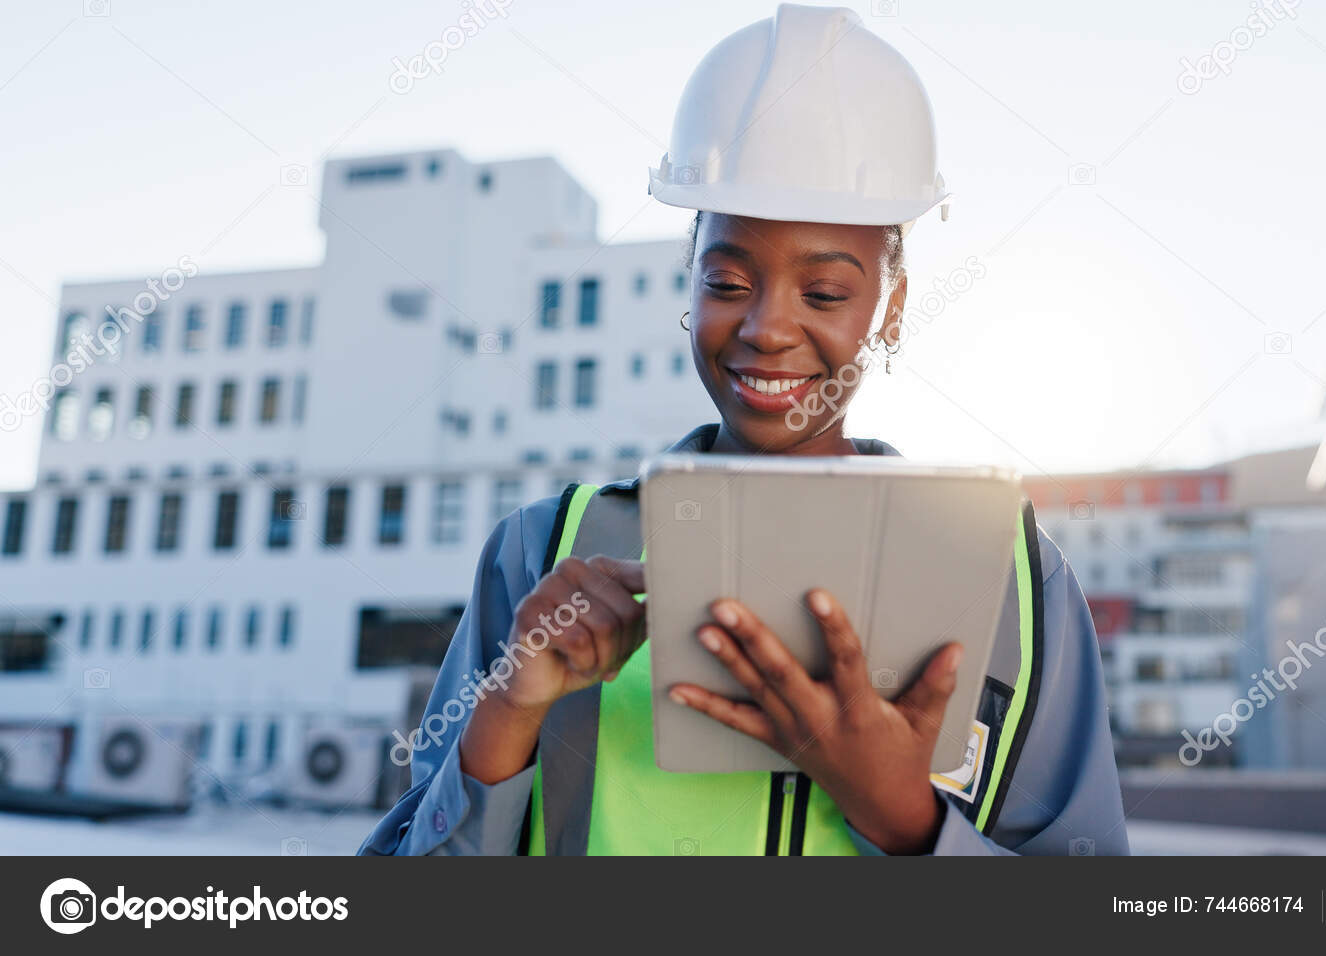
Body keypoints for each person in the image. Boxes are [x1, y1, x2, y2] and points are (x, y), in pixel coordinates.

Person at [359, 2, 1126, 856]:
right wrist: (511, 709)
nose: (766, 328)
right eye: (727, 283)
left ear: (891, 307)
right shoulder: (544, 552)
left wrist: (906, 822)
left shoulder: (1012, 581)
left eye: (824, 293)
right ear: (688, 282)